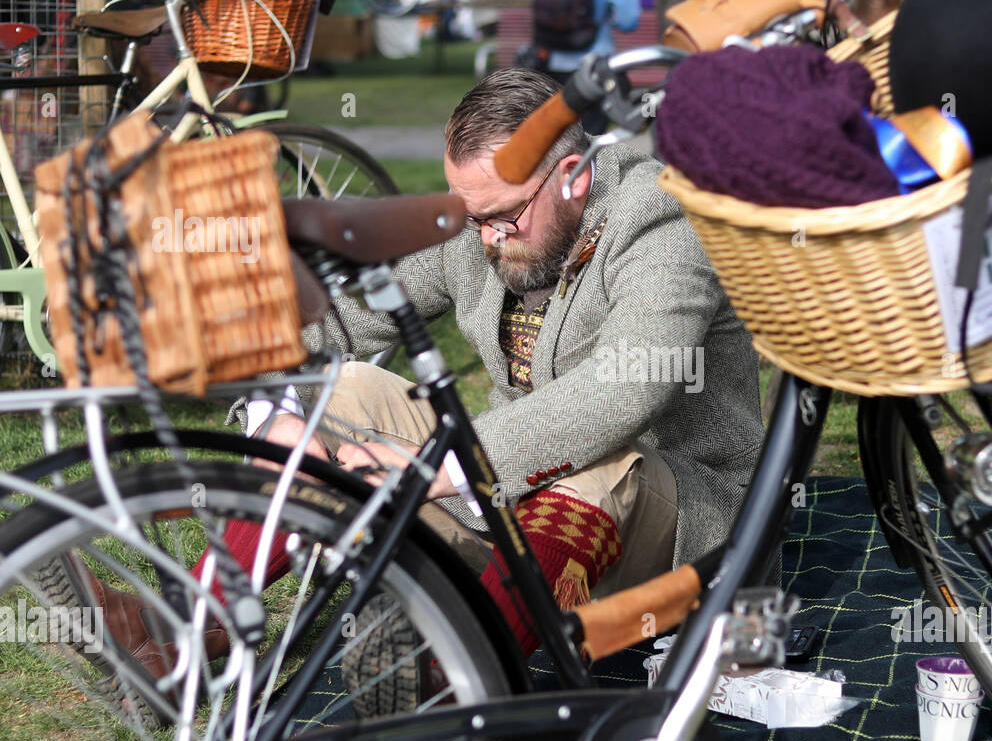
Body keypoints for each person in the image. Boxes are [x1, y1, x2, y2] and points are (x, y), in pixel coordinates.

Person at [97, 69, 765, 674]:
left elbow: (628, 387)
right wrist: (280, 415)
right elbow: (334, 324)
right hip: (511, 505)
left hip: (673, 520)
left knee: (595, 462)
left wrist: (445, 468)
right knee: (348, 389)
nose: (483, 239)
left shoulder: (659, 214)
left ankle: (462, 677)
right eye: (469, 215)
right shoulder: (483, 216)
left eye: (503, 217)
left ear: (576, 176)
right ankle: (186, 626)